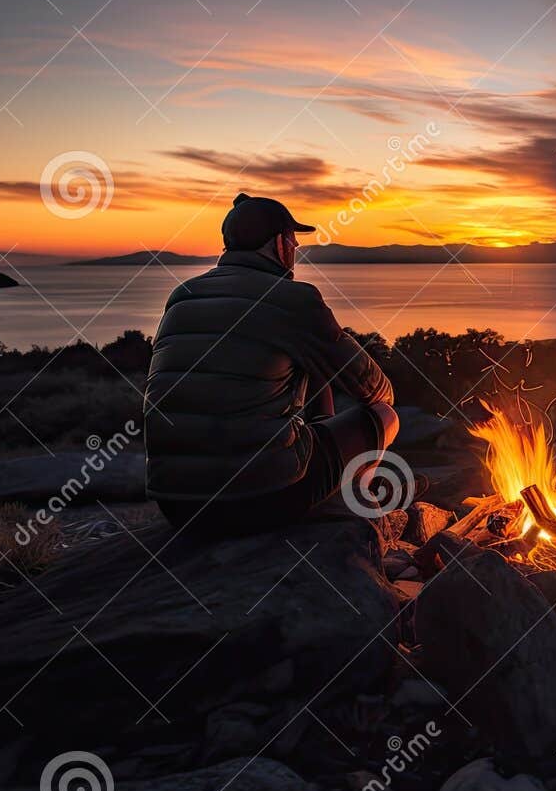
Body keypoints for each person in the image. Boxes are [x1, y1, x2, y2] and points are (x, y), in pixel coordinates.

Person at [145, 193, 398, 536]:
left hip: (178, 504)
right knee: (385, 416)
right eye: (294, 242)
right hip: (261, 499)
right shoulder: (296, 300)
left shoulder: (182, 296)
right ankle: (347, 510)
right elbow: (374, 389)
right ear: (280, 245)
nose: (295, 252)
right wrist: (337, 339)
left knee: (304, 366)